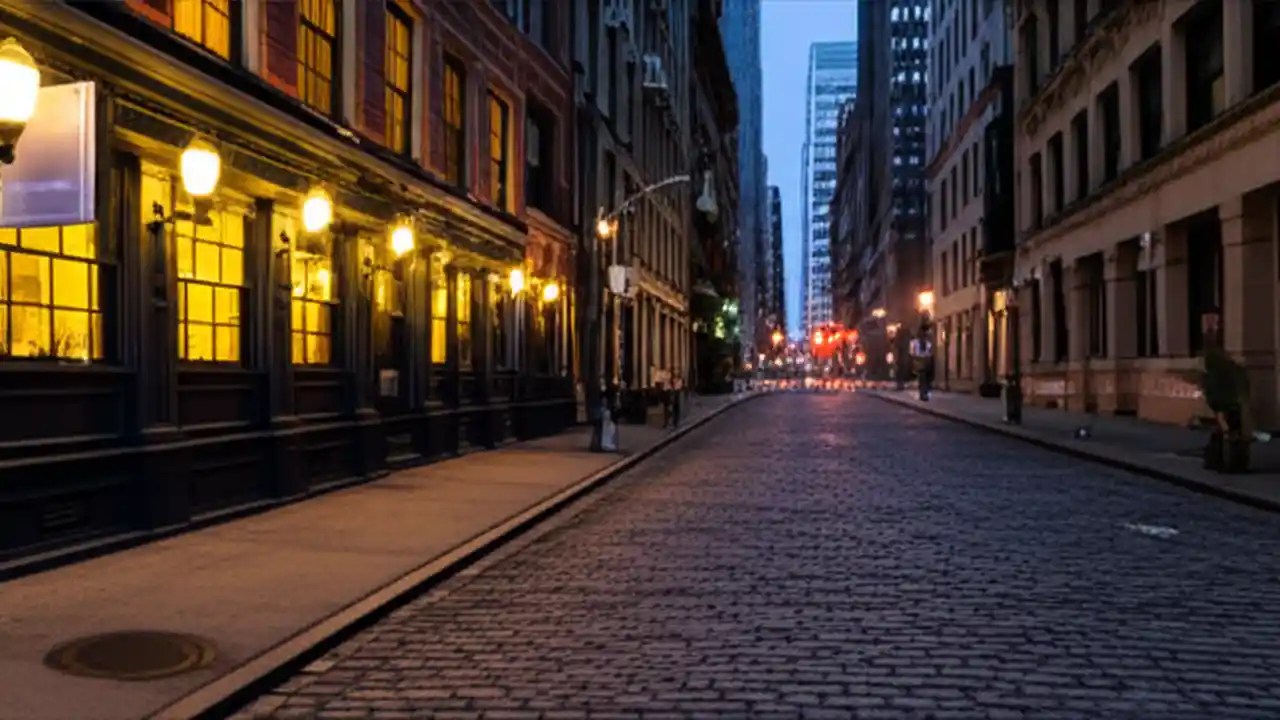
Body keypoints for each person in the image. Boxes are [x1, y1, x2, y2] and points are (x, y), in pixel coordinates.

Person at [910, 327, 935, 401]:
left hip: (926, 361)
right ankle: (922, 394)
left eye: (924, 335)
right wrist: (915, 358)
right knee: (922, 377)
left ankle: (925, 393)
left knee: (926, 378)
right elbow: (912, 352)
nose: (923, 336)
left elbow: (930, 352)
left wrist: (928, 357)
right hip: (918, 361)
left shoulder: (928, 344)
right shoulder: (914, 342)